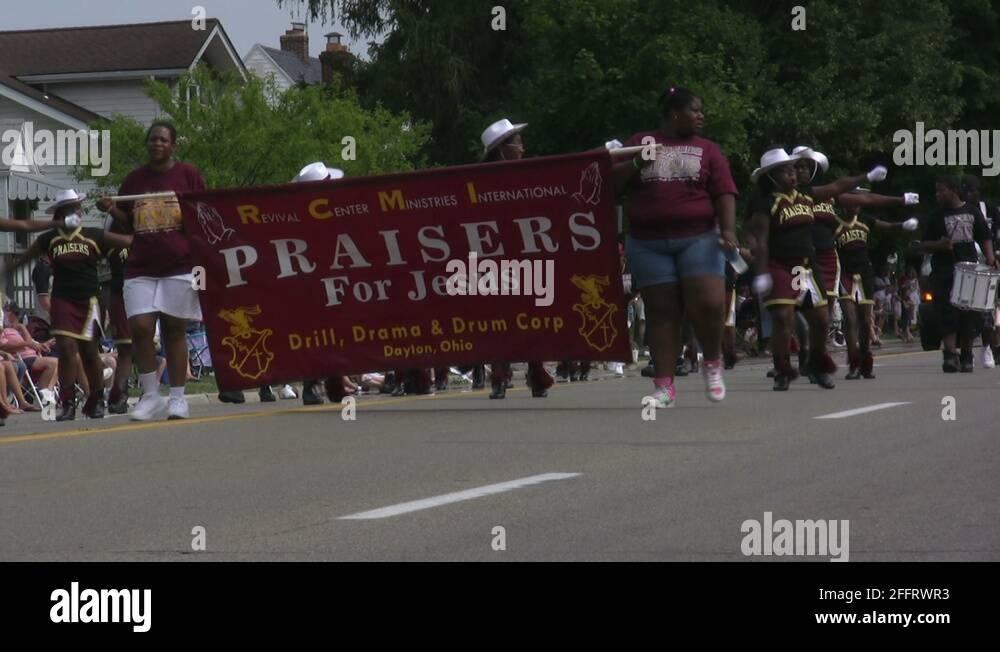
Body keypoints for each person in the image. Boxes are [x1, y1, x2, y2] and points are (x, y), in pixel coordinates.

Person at [614, 86, 738, 408]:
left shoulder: (707, 149)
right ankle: (664, 385)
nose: (701, 116)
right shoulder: (641, 142)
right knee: (662, 313)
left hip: (698, 237)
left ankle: (711, 362)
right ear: (674, 113)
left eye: (701, 111)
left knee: (709, 304)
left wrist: (728, 230)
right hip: (648, 242)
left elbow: (724, 191)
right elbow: (611, 185)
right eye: (695, 110)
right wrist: (637, 163)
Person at [749, 147, 890, 390]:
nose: (792, 176)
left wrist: (866, 176)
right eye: (785, 172)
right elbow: (759, 240)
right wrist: (761, 273)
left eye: (793, 171)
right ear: (771, 176)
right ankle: (782, 368)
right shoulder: (766, 204)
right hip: (781, 266)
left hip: (806, 267)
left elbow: (837, 186)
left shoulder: (807, 195)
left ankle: (816, 364)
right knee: (783, 318)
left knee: (821, 319)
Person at [97, 121, 206, 420]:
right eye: (152, 139)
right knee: (141, 328)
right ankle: (150, 395)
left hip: (180, 264)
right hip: (140, 265)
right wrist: (110, 208)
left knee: (174, 329)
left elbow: (204, 213)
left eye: (163, 139)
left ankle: (178, 398)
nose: (156, 144)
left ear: (174, 145)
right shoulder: (134, 181)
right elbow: (128, 223)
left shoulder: (188, 175)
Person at [5, 189, 132, 419]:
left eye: (77, 208)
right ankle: (68, 402)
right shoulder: (49, 238)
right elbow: (25, 256)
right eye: (69, 209)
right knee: (66, 349)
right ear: (60, 214)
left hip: (89, 300)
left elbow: (129, 240)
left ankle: (97, 398)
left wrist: (127, 221)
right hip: (62, 299)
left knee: (90, 352)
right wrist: (6, 271)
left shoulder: (94, 235)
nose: (75, 212)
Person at [479, 118, 554, 399]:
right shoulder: (479, 183)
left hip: (525, 254)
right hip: (493, 257)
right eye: (517, 142)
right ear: (501, 149)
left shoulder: (528, 175)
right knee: (499, 317)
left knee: (530, 315)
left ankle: (536, 374)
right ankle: (500, 375)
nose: (522, 147)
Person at [914, 176, 997, 372]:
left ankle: (967, 355)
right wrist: (939, 245)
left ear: (953, 190)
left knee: (970, 314)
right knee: (946, 312)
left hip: (968, 268)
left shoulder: (972, 211)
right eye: (936, 191)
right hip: (943, 269)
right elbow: (923, 245)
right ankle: (950, 355)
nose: (938, 194)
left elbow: (985, 236)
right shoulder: (935, 216)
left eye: (941, 190)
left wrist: (991, 258)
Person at [961, 175, 1000, 368]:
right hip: (966, 265)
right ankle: (964, 352)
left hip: (987, 265)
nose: (969, 194)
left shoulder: (989, 209)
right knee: (966, 311)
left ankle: (987, 348)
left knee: (986, 311)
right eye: (966, 190)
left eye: (972, 190)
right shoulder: (959, 210)